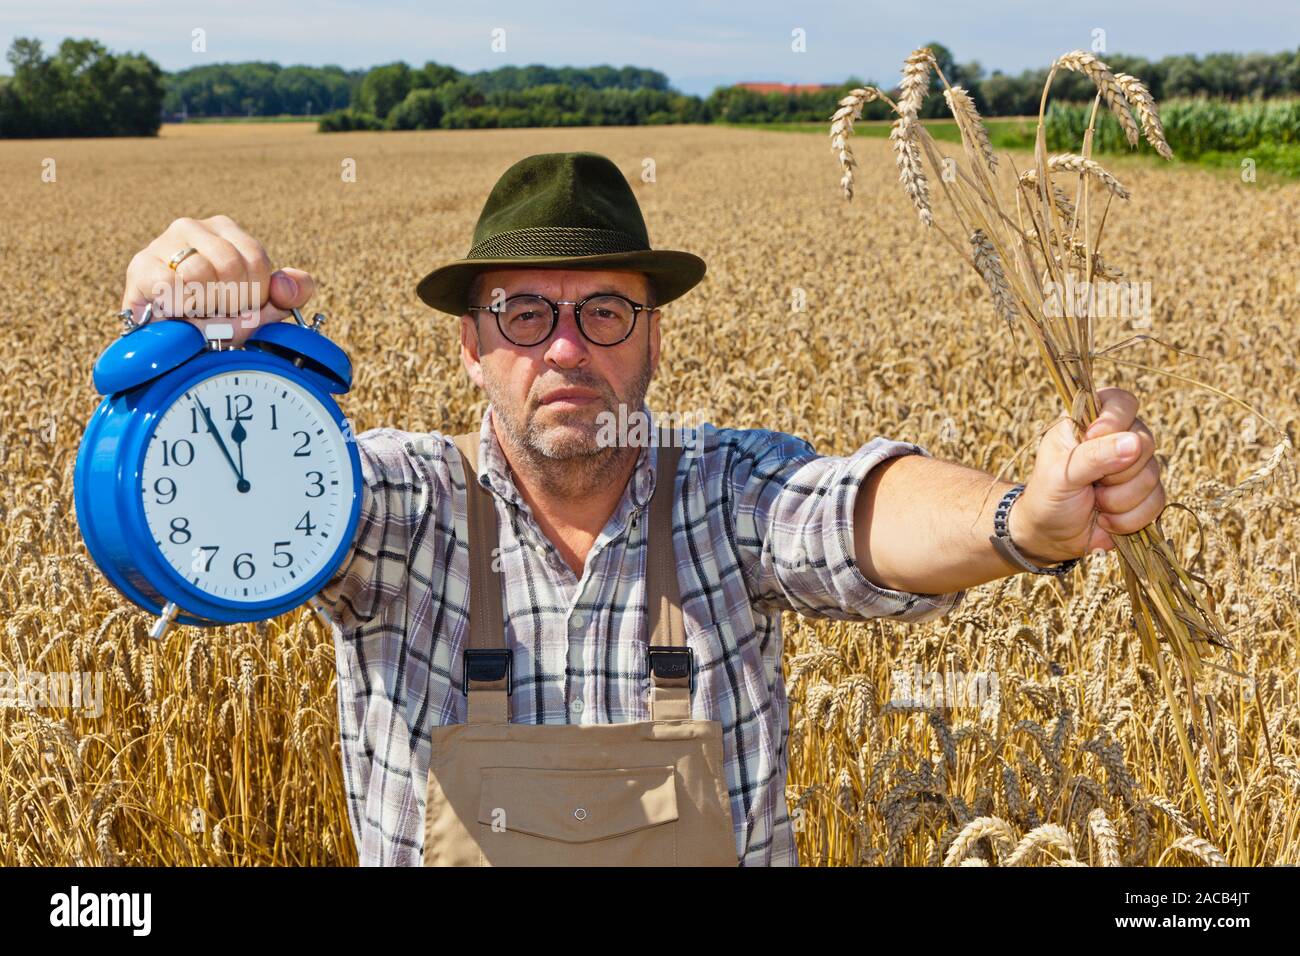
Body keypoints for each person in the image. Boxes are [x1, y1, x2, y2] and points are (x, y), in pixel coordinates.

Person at [119, 151, 1165, 866]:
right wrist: (190, 385)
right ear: (471, 347)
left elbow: (855, 511)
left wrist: (1022, 520)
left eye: (604, 310)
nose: (566, 346)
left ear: (653, 338)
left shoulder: (720, 494)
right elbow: (207, 533)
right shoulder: (397, 509)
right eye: (523, 312)